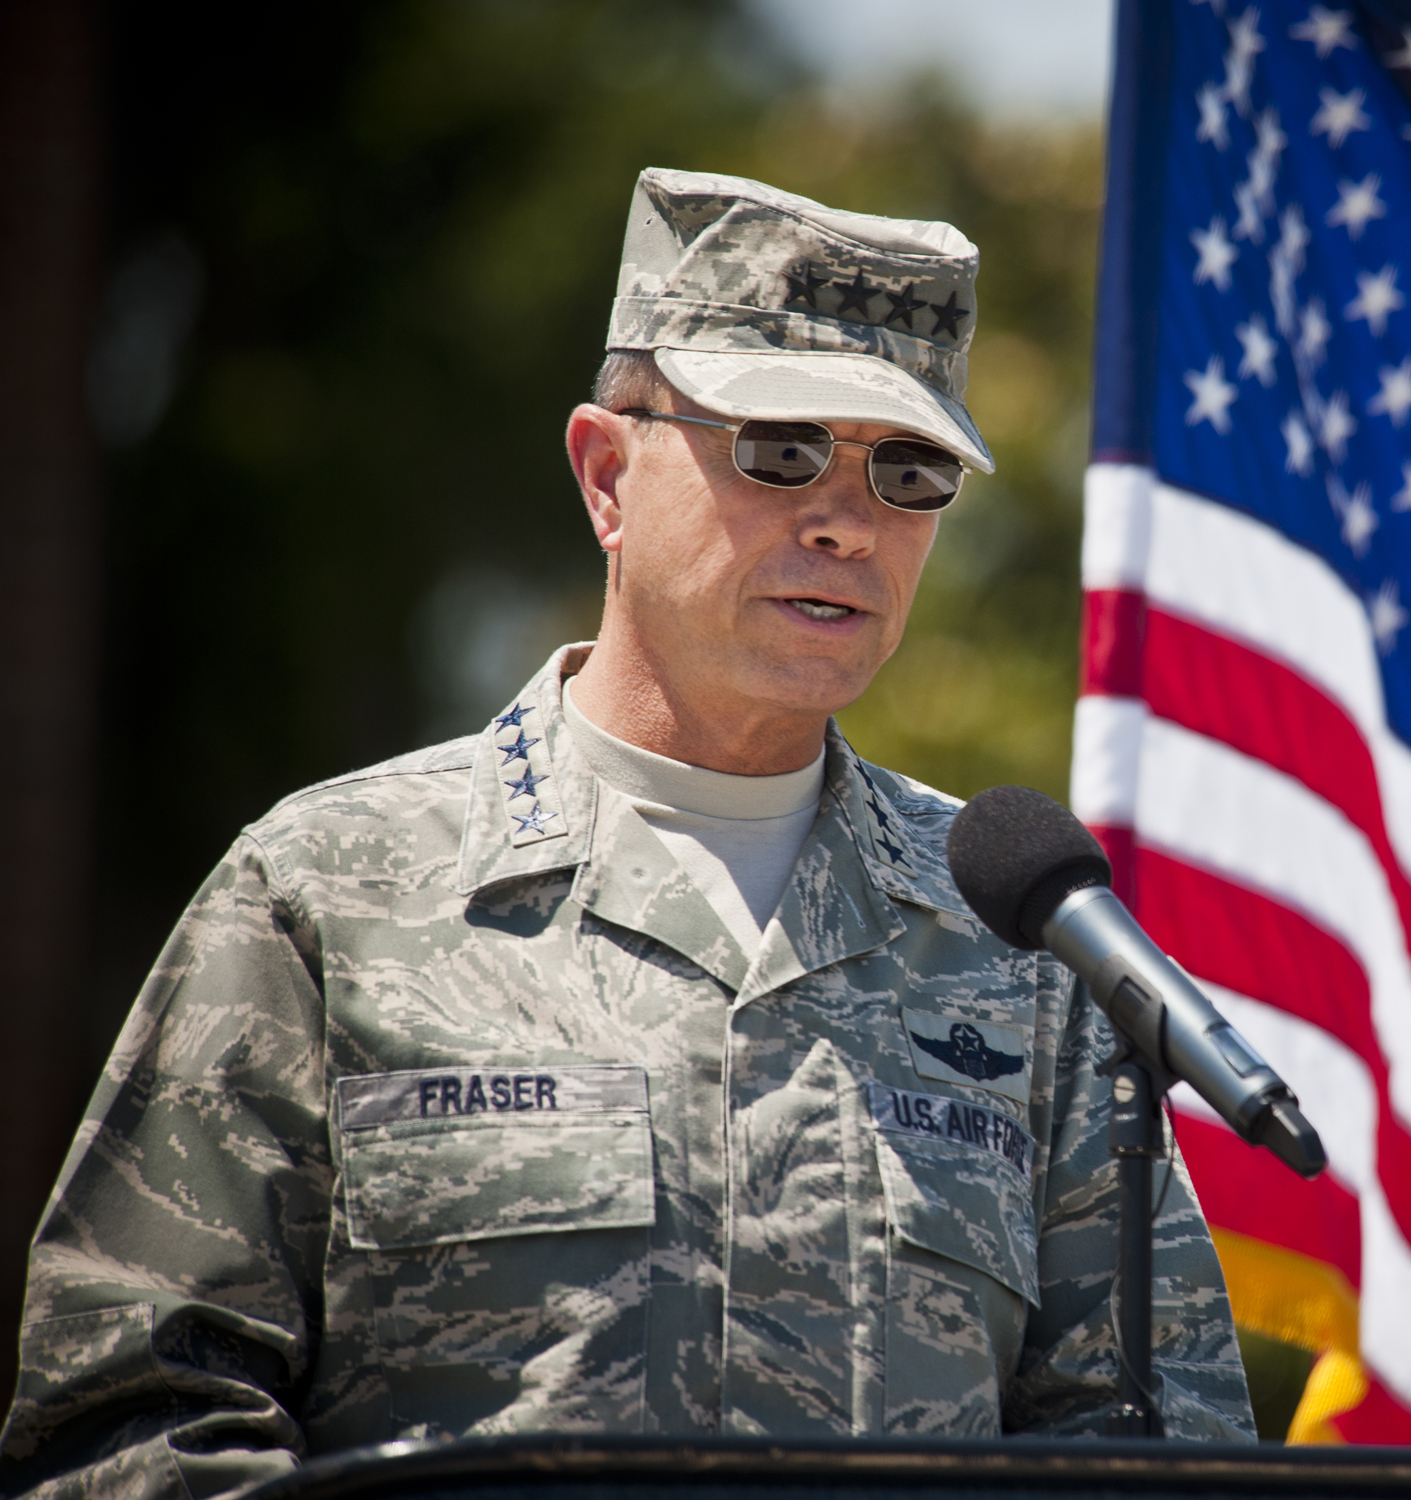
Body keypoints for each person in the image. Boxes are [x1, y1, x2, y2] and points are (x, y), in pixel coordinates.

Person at [0, 168, 1255, 1498]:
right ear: (607, 474)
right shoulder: (329, 895)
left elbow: (1152, 1459)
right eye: (776, 451)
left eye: (908, 471)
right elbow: (130, 1429)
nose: (844, 520)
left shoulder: (1016, 946)